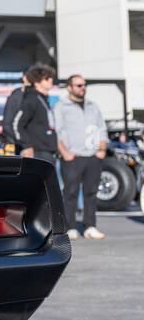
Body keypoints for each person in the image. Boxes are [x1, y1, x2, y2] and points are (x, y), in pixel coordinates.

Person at [54, 74, 109, 240]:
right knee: (70, 192)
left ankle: (90, 226)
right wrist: (65, 153)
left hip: (93, 156)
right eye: (78, 85)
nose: (82, 88)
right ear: (70, 87)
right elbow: (57, 131)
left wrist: (102, 149)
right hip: (72, 157)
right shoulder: (61, 107)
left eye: (84, 85)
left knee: (91, 193)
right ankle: (70, 227)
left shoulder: (93, 106)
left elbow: (102, 128)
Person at [14, 64, 58, 165]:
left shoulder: (43, 99)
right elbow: (16, 125)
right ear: (37, 82)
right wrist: (27, 146)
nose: (51, 80)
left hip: (48, 152)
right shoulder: (31, 99)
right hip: (36, 153)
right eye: (47, 78)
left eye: (51, 77)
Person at [1, 71, 29, 155]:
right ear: (24, 78)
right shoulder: (16, 97)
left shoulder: (37, 96)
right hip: (18, 145)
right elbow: (7, 124)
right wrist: (22, 141)